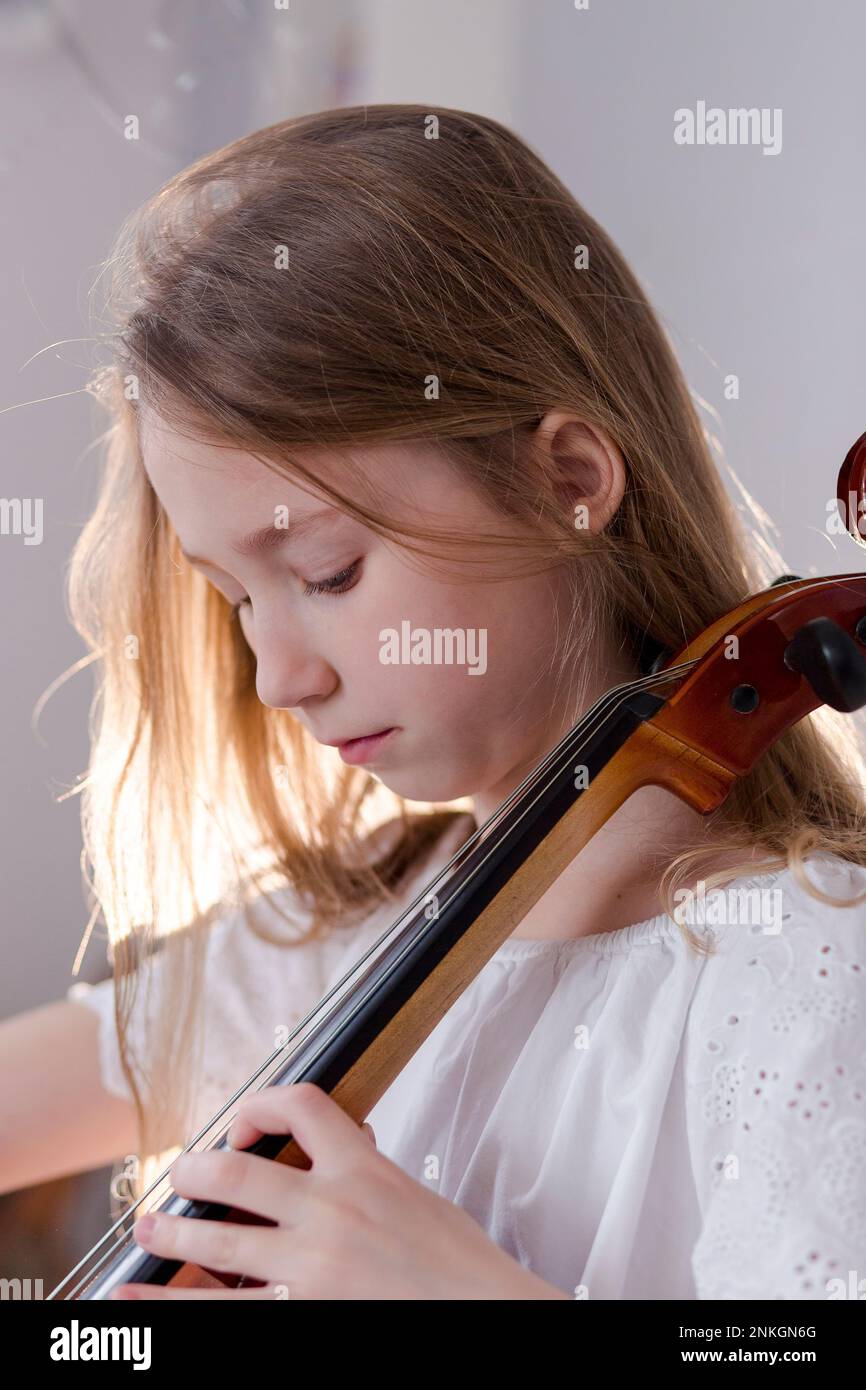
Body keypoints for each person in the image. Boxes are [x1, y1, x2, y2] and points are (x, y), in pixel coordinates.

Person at [2, 104, 865, 1301]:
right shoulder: (357, 926)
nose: (279, 677)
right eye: (234, 598)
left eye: (326, 574)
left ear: (565, 480)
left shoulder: (801, 971)